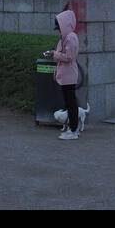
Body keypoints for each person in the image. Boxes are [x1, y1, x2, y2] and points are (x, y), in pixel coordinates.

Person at [48, 9, 89, 139]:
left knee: (71, 103)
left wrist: (54, 54)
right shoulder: (67, 37)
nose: (59, 30)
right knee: (70, 102)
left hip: (68, 75)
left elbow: (69, 57)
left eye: (59, 27)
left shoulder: (70, 37)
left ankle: (73, 130)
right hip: (66, 74)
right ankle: (72, 129)